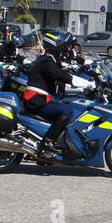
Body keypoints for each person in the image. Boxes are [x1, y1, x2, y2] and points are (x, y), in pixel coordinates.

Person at [27, 28, 80, 158]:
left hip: (40, 97)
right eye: (61, 44)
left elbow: (60, 72)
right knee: (67, 111)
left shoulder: (50, 59)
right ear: (55, 45)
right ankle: (48, 143)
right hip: (37, 99)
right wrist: (76, 81)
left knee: (68, 107)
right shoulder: (47, 60)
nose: (63, 47)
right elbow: (56, 74)